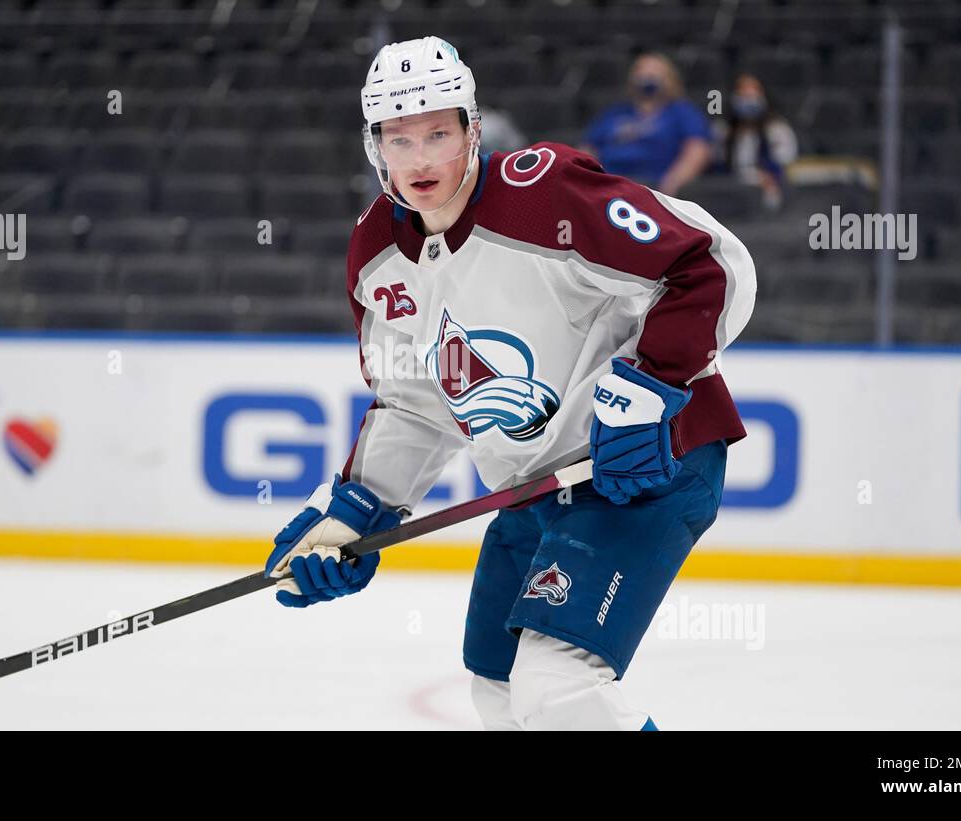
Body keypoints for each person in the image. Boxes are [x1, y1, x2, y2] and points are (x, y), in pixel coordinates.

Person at [263, 37, 756, 730]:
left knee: (557, 692)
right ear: (376, 148)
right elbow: (412, 401)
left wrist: (647, 388)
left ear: (472, 128)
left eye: (439, 132)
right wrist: (354, 510)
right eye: (400, 140)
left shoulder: (542, 192)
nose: (423, 158)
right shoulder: (375, 253)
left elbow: (706, 265)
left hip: (648, 466)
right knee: (499, 688)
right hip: (536, 493)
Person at [580, 52, 712, 196]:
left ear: (669, 78)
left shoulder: (682, 112)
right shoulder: (615, 113)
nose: (647, 75)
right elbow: (588, 148)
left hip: (655, 187)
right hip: (610, 185)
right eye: (641, 70)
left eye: (655, 71)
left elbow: (697, 149)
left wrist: (674, 181)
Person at [715, 73, 798, 211]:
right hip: (731, 194)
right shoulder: (723, 131)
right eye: (742, 91)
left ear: (763, 95)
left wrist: (763, 177)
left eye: (753, 90)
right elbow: (718, 166)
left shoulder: (777, 130)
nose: (748, 96)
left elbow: (782, 164)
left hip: (766, 193)